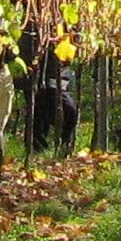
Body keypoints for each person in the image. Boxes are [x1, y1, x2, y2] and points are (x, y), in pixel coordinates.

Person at [18, 9, 80, 155]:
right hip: (33, 69)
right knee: (37, 113)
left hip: (55, 74)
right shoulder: (30, 8)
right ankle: (38, 153)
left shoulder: (63, 9)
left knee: (68, 110)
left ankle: (63, 148)